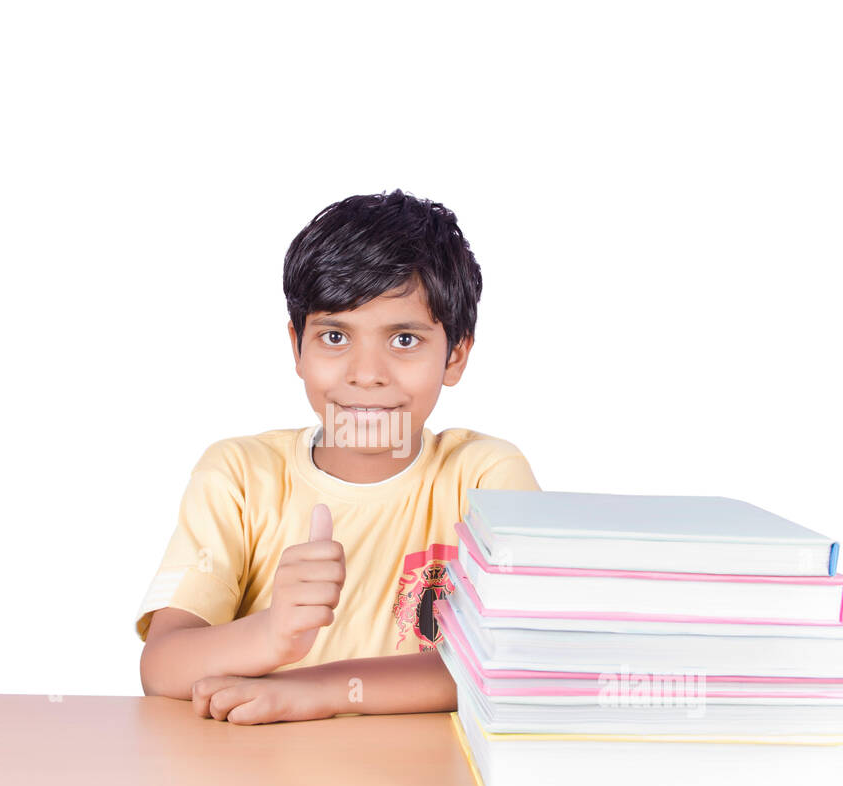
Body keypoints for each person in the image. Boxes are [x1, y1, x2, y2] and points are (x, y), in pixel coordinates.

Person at [135, 188, 540, 723]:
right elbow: (161, 667)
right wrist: (273, 633)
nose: (365, 373)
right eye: (333, 335)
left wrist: (321, 690)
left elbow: (515, 659)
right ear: (296, 348)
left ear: (456, 355)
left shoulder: (485, 477)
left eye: (403, 340)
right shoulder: (238, 475)